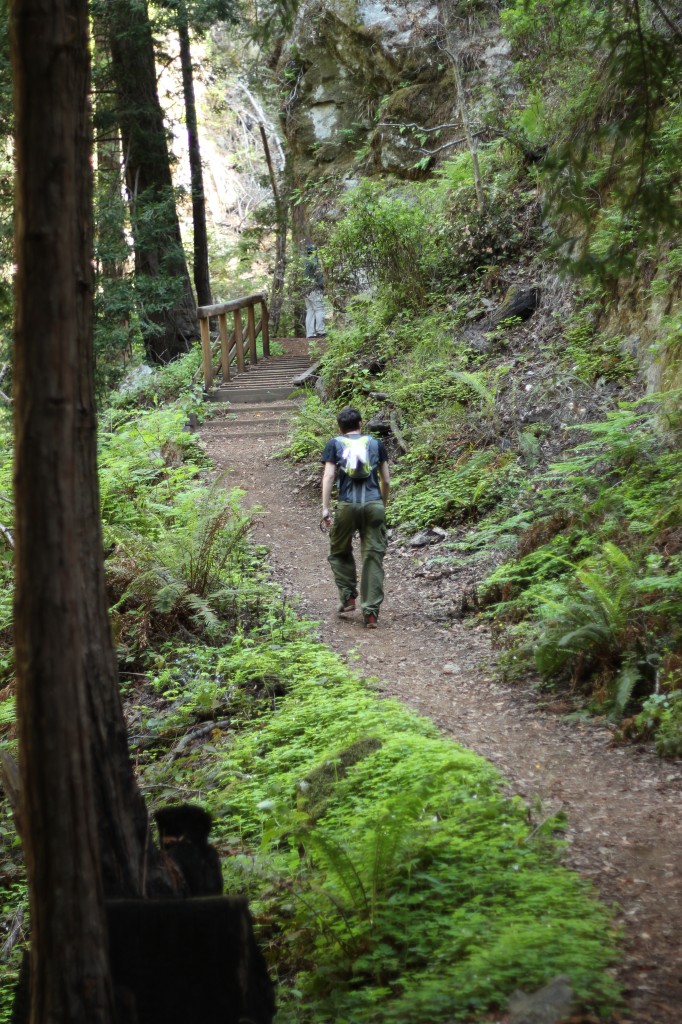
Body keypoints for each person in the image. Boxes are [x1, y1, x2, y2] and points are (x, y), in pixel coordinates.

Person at [321, 407, 390, 628]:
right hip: (374, 505)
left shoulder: (334, 444)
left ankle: (349, 596)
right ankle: (370, 613)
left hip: (347, 505)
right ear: (361, 423)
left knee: (339, 549)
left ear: (339, 427)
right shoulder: (376, 444)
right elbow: (386, 480)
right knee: (372, 556)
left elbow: (329, 475)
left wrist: (325, 509)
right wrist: (382, 504)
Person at [303, 243, 325, 339]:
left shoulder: (305, 261)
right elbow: (319, 276)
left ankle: (310, 334)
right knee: (319, 309)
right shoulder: (315, 261)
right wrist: (322, 287)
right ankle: (321, 331)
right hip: (314, 289)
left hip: (305, 290)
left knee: (310, 311)